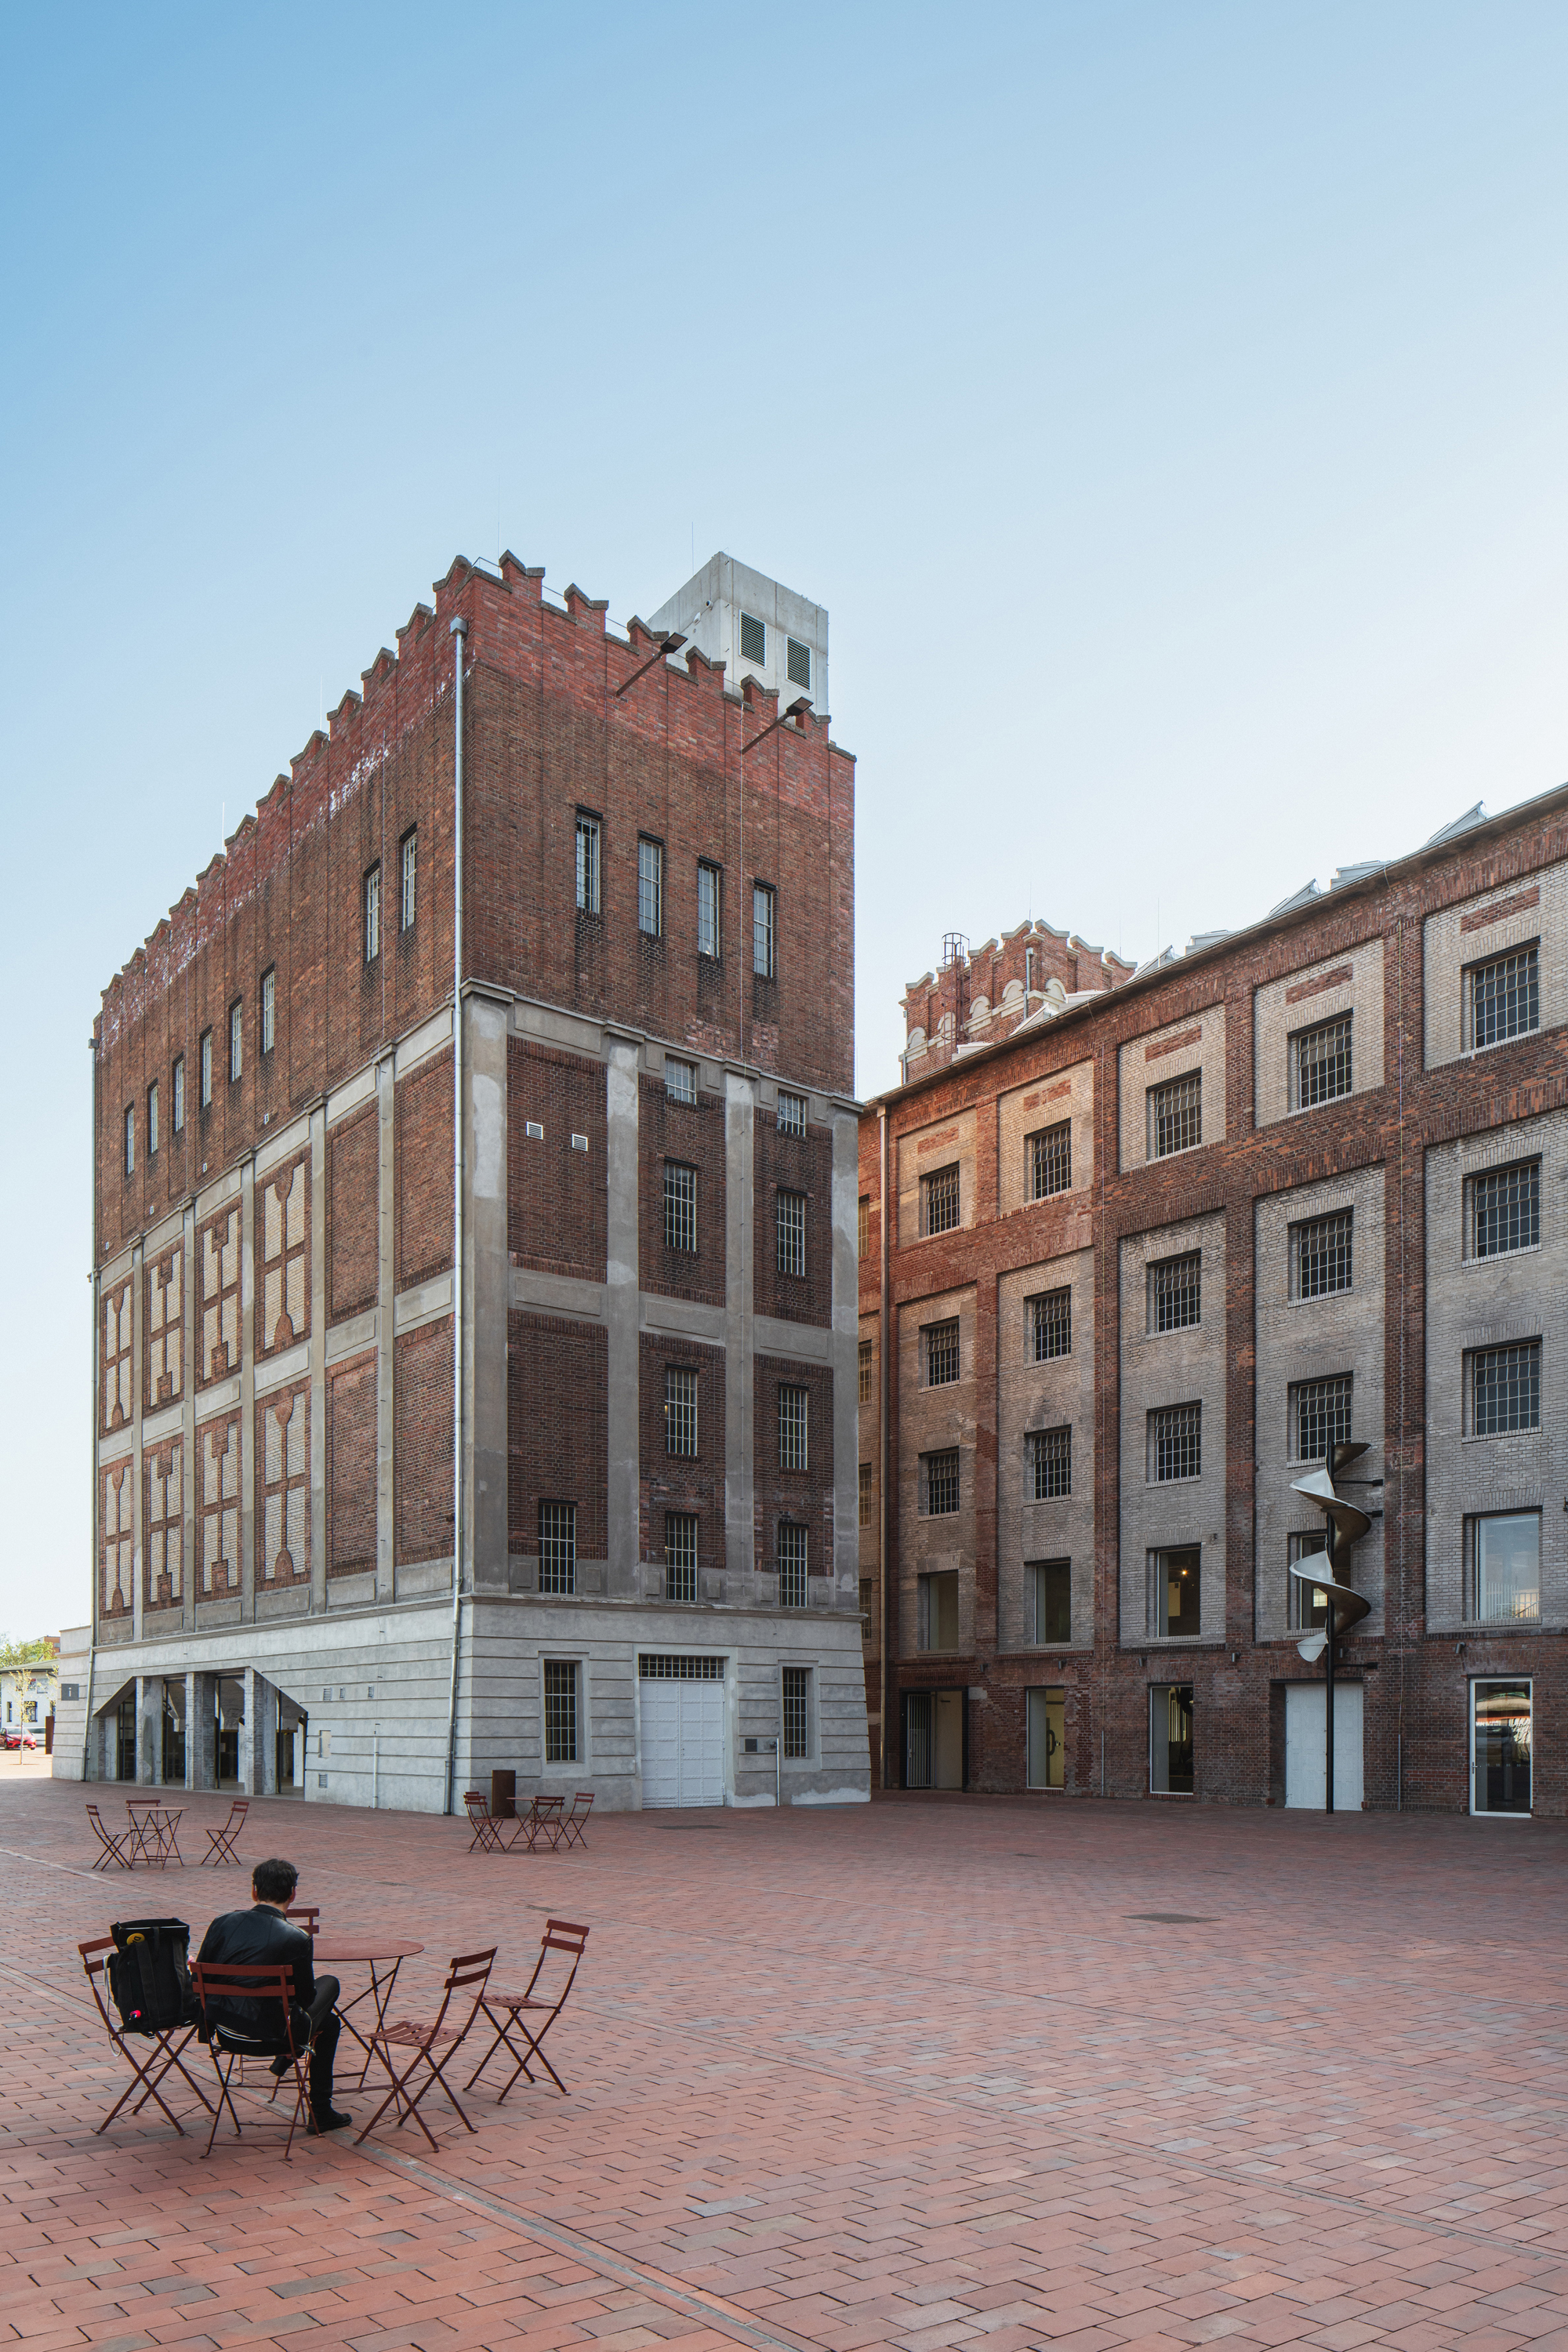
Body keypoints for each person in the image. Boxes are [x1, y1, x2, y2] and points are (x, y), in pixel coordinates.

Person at [197, 1857, 350, 2132]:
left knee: (327, 2022)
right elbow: (305, 2000)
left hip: (225, 2031)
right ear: (293, 1894)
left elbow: (201, 1977)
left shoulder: (221, 1923)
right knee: (330, 1993)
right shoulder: (296, 1937)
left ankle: (304, 2086)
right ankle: (320, 2111)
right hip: (273, 2037)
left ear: (254, 1891)